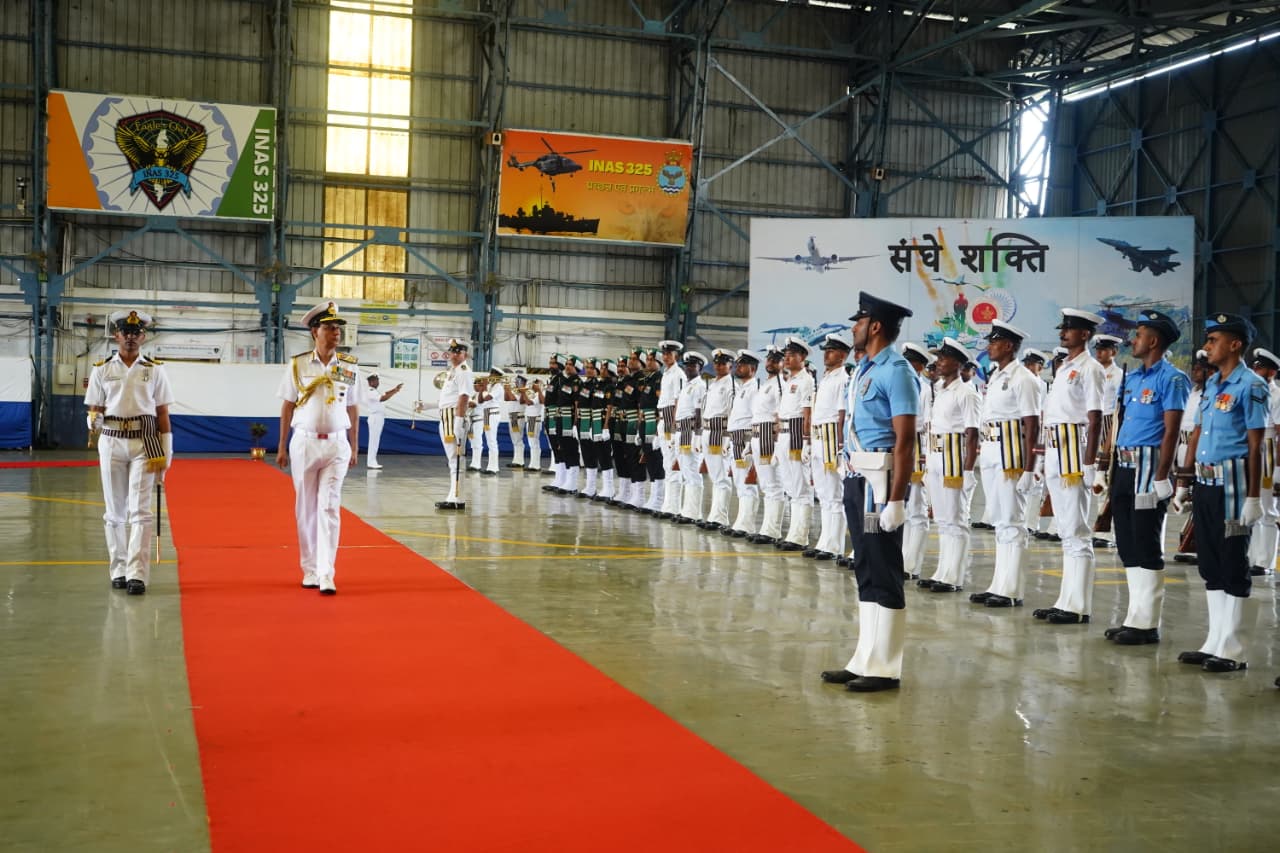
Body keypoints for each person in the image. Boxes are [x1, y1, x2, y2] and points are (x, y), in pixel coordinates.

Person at [821, 292, 916, 693]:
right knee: (864, 566)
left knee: (884, 568)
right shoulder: (863, 369)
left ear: (875, 326)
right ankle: (865, 657)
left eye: (858, 322)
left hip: (880, 484)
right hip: (857, 478)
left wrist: (896, 499)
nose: (854, 328)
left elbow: (905, 440)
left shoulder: (897, 371)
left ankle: (886, 666)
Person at [1175, 313, 1267, 673]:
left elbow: (1257, 446)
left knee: (1232, 563)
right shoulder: (1212, 385)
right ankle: (1214, 640)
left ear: (1235, 344)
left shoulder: (1251, 385)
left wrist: (1254, 497)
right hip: (1207, 485)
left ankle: (1234, 648)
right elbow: (1198, 434)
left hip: (1234, 489)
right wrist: (1184, 483)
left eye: (1214, 340)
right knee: (1210, 564)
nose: (1207, 346)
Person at [1102, 310, 1187, 646]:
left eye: (1138, 335)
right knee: (1127, 544)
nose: (1132, 340)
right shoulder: (1133, 378)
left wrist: (1164, 475)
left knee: (1146, 542)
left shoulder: (1172, 378)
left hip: (1149, 468)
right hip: (1124, 467)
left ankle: (1147, 623)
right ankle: (1134, 617)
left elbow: (1171, 431)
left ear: (1153, 341)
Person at [85, 310, 174, 595]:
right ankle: (119, 568)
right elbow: (95, 408)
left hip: (144, 442)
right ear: (117, 336)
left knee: (140, 510)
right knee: (114, 512)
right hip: (111, 441)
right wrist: (92, 421)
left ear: (143, 337)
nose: (131, 337)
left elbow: (162, 412)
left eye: (136, 333)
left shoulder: (155, 369)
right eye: (126, 333)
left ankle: (137, 574)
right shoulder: (101, 369)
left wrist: (167, 449)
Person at [276, 302, 361, 593]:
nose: (336, 333)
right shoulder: (298, 365)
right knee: (306, 508)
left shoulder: (348, 366)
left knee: (329, 506)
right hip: (305, 443)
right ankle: (310, 569)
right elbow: (287, 406)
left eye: (338, 328)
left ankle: (327, 573)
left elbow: (353, 408)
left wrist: (355, 445)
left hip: (337, 444)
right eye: (329, 328)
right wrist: (281, 446)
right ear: (315, 331)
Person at [1033, 308, 1105, 626]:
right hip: (1055, 449)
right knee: (1065, 530)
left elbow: (1095, 418)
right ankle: (1065, 600)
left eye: (1069, 329)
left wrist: (1090, 464)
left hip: (1074, 451)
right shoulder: (1064, 367)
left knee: (1077, 530)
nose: (1063, 333)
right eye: (1062, 328)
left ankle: (1078, 606)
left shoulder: (1090, 369)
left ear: (1085, 334)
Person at [968, 320, 1041, 609]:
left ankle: (1011, 589)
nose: (989, 346)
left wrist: (1030, 468)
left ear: (1009, 346)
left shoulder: (1024, 378)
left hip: (1011, 456)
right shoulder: (997, 376)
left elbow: (1032, 425)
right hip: (991, 452)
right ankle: (998, 584)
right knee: (999, 521)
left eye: (994, 341)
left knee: (1012, 522)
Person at [917, 337, 981, 593]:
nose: (939, 362)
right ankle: (942, 571)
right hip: (936, 457)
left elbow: (972, 434)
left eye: (944, 358)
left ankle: (954, 575)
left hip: (953, 459)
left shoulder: (966, 393)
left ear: (958, 363)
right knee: (943, 519)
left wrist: (968, 471)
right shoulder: (941, 390)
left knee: (956, 519)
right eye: (939, 357)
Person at [807, 334, 850, 560]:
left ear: (842, 355)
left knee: (834, 494)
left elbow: (842, 414)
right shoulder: (826, 378)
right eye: (826, 350)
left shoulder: (843, 378)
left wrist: (841, 444)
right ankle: (825, 541)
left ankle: (834, 545)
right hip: (818, 438)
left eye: (831, 351)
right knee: (823, 494)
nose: (826, 354)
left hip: (831, 436)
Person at [776, 337, 815, 551]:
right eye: (786, 355)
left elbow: (807, 414)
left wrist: (807, 442)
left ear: (803, 357)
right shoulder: (789, 381)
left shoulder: (806, 380)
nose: (787, 358)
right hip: (784, 434)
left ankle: (800, 536)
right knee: (790, 486)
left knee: (801, 486)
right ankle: (793, 533)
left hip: (796, 434)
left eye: (792, 355)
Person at [900, 342, 934, 577]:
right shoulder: (902, 385)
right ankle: (901, 558)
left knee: (917, 508)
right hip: (901, 447)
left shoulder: (924, 388)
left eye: (910, 362)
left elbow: (927, 425)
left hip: (918, 446)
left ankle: (912, 565)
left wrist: (925, 458)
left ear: (920, 366)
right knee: (903, 508)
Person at [1173, 350, 1210, 564]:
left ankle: (1196, 545)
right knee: (1188, 497)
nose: (1195, 371)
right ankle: (1190, 543)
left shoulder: (1209, 393)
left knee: (1199, 498)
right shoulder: (1191, 392)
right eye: (1194, 368)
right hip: (1183, 447)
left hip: (1199, 448)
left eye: (1200, 368)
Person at [747, 346, 786, 545]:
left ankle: (772, 530)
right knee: (765, 484)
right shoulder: (765, 384)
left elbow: (780, 415)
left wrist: (777, 444)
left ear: (782, 363)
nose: (770, 363)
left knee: (773, 484)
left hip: (768, 436)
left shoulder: (780, 384)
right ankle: (767, 528)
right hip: (757, 435)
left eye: (776, 360)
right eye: (769, 359)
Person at [1246, 347, 1280, 576]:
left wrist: (1277, 468)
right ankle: (1252, 556)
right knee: (1252, 503)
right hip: (1251, 444)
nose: (1255, 371)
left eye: (1260, 368)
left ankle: (1265, 561)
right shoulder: (1252, 392)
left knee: (1267, 507)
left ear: (1272, 372)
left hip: (1268, 448)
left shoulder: (1277, 395)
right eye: (1255, 367)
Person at [1090, 334, 1124, 548]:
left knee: (1108, 477)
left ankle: (1107, 532)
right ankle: (1099, 527)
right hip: (1094, 424)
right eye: (1098, 349)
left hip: (1111, 424)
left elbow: (1119, 407)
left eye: (1104, 349)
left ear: (1114, 352)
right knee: (1096, 478)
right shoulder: (1094, 372)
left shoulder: (1118, 375)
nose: (1099, 353)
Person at [724, 349, 761, 538]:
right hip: (736, 439)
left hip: (746, 439)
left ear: (752, 368)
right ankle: (741, 521)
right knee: (739, 482)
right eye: (738, 364)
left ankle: (747, 524)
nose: (738, 367)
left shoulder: (754, 389)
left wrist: (752, 443)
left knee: (747, 482)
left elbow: (756, 417)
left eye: (742, 365)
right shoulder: (742, 388)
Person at [434, 339, 473, 511]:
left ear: (465, 355)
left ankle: (457, 498)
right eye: (453, 351)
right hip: (446, 415)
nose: (455, 355)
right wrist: (427, 406)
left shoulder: (463, 371)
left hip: (453, 417)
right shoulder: (453, 371)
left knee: (456, 458)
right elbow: (447, 398)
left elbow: (464, 397)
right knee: (452, 459)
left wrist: (459, 420)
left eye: (459, 352)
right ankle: (454, 495)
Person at [700, 349, 736, 530]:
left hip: (720, 432)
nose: (719, 366)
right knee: (714, 477)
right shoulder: (712, 384)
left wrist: (728, 439)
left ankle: (721, 518)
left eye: (723, 363)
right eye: (717, 363)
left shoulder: (731, 385)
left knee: (722, 476)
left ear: (730, 366)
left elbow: (731, 411)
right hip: (708, 430)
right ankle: (714, 515)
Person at [673, 352, 708, 524]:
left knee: (693, 471)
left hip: (691, 431)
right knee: (686, 471)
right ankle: (687, 509)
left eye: (693, 365)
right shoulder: (686, 385)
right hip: (682, 430)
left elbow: (699, 412)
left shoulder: (699, 385)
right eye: (687, 365)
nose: (689, 368)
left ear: (699, 368)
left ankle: (694, 513)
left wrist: (698, 436)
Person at [656, 341, 686, 517]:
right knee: (667, 464)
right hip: (663, 419)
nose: (666, 356)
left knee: (673, 463)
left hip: (670, 420)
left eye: (669, 353)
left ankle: (674, 507)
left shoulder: (678, 374)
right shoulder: (666, 373)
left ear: (676, 356)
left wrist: (674, 428)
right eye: (664, 353)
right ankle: (668, 504)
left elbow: (678, 401)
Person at [363, 373, 402, 470]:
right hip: (375, 418)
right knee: (374, 441)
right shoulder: (370, 391)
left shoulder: (374, 391)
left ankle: (372, 461)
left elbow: (385, 393)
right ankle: (371, 462)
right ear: (371, 382)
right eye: (377, 380)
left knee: (375, 441)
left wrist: (395, 389)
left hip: (378, 417)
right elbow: (382, 398)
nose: (378, 382)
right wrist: (394, 392)